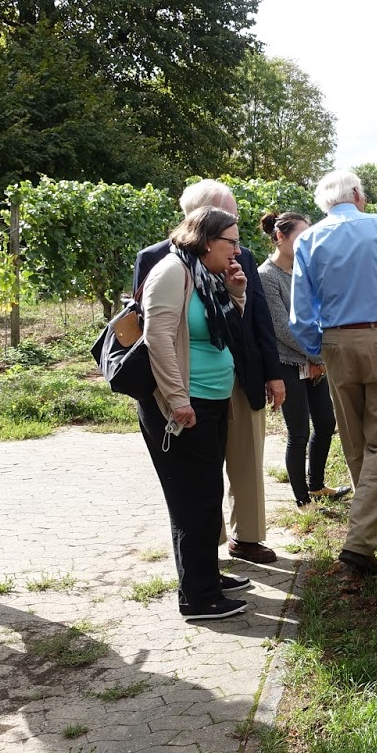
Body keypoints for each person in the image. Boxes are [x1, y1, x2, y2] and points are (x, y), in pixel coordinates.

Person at [134, 180, 286, 565]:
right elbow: (151, 328)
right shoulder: (156, 258)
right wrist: (172, 393)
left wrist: (273, 370)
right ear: (202, 220)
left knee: (247, 455)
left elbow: (258, 316)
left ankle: (247, 537)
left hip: (241, 370)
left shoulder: (243, 256)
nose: (236, 240)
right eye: (229, 220)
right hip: (190, 380)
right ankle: (208, 547)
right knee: (201, 469)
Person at [290, 170, 377, 577]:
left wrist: (321, 347)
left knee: (354, 440)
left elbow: (301, 315)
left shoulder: (309, 239)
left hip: (335, 343)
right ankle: (357, 544)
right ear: (355, 194)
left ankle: (376, 533)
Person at [138, 206, 254, 620]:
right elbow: (159, 338)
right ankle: (198, 597)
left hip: (211, 399)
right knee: (194, 500)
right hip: (184, 405)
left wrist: (235, 293)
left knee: (208, 494)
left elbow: (217, 332)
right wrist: (177, 399)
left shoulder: (205, 274)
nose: (237, 250)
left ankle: (206, 576)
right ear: (207, 241)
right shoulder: (173, 271)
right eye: (232, 242)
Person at [257, 211, 349, 506]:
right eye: (301, 237)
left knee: (325, 423)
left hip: (314, 361)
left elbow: (318, 313)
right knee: (298, 432)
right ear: (280, 237)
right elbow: (282, 328)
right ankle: (301, 500)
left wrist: (318, 358)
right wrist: (319, 355)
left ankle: (316, 486)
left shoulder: (304, 270)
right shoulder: (265, 276)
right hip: (288, 363)